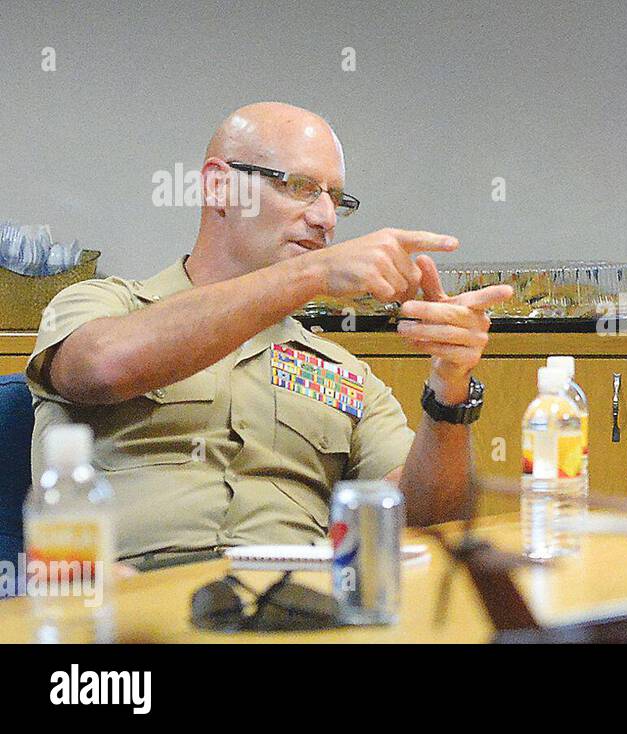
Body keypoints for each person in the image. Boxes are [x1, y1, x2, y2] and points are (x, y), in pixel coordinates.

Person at [25, 102, 513, 567]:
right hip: (133, 595)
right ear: (218, 186)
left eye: (336, 200)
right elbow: (101, 369)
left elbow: (428, 520)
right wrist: (312, 274)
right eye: (298, 186)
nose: (326, 219)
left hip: (296, 597)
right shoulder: (105, 305)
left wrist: (450, 386)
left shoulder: (341, 373)